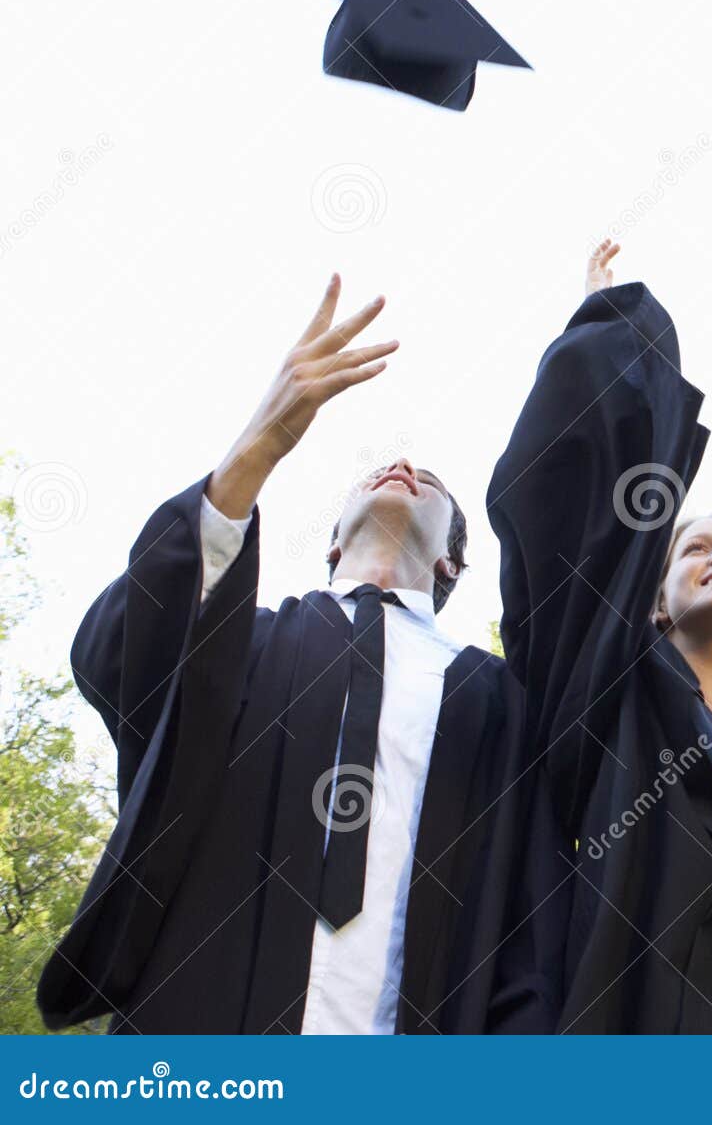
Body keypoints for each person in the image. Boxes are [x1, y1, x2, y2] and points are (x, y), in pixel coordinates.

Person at [37, 277, 544, 1035]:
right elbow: (119, 658)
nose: (404, 466)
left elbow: (528, 922)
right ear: (333, 540)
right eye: (375, 474)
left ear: (451, 566)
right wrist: (254, 453)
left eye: (431, 482)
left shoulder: (497, 698)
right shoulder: (247, 645)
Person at [487, 240, 712, 1033]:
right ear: (653, 602)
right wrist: (607, 341)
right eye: (697, 547)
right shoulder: (608, 691)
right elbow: (572, 523)